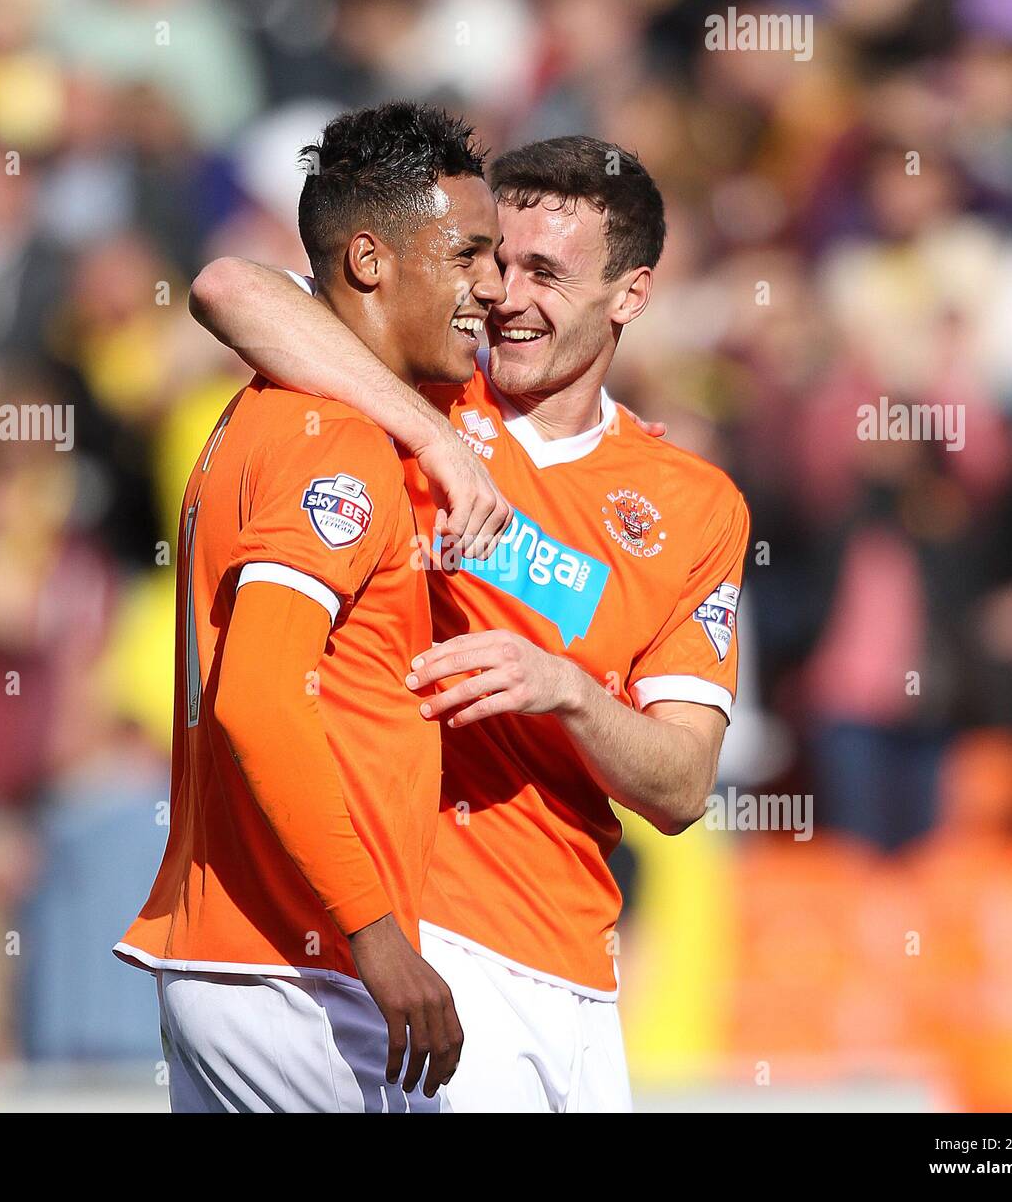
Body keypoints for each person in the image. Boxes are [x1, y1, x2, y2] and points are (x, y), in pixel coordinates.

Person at [191, 134, 751, 1113]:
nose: (503, 294)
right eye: (492, 258)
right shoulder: (417, 379)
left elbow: (683, 784)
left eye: (545, 271)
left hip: (582, 959)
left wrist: (568, 692)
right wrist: (433, 435)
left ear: (630, 294)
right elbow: (229, 286)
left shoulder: (693, 506)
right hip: (431, 941)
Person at [114, 102, 506, 1112]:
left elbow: (246, 288)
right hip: (302, 969)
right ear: (371, 262)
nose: (492, 289)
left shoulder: (291, 407)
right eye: (468, 254)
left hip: (258, 959)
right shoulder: (333, 446)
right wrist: (375, 935)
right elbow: (256, 697)